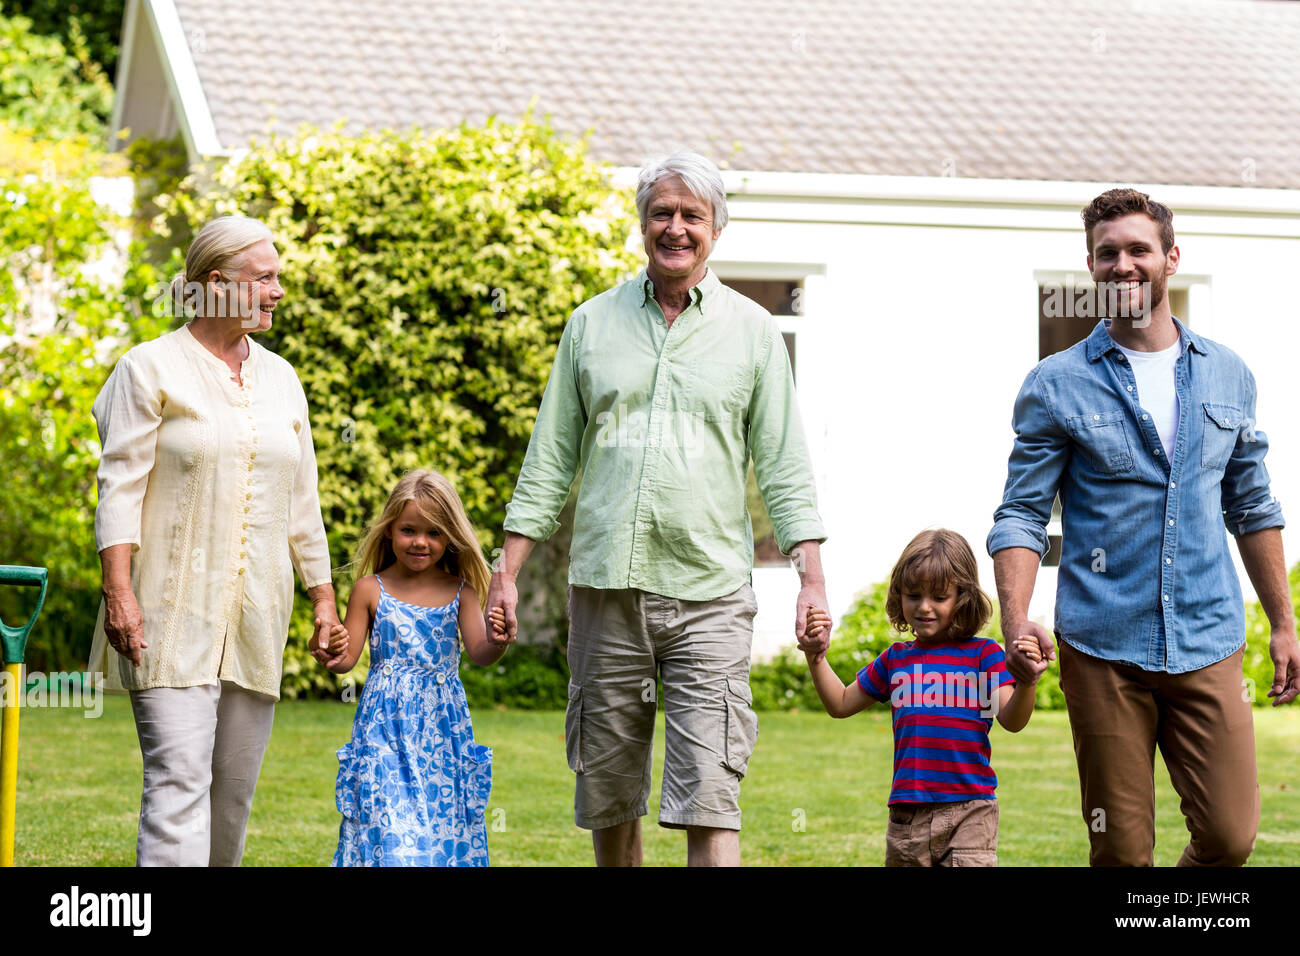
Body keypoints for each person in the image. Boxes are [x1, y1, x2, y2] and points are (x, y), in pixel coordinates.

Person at [486, 149, 829, 866]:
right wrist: (506, 569)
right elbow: (549, 459)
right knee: (610, 800)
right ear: (642, 224)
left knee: (711, 795)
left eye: (691, 215)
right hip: (606, 593)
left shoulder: (755, 332)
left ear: (716, 229)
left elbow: (784, 465)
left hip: (710, 595)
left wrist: (812, 579)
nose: (675, 227)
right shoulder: (590, 325)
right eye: (661, 213)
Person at [988, 187, 1300, 866]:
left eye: (1138, 249)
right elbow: (1020, 513)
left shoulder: (1229, 374)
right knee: (1122, 854)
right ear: (1091, 267)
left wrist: (1282, 622)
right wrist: (1016, 620)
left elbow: (1252, 505)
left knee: (1229, 837)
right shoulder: (1056, 383)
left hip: (1207, 635)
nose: (1122, 264)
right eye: (1107, 253)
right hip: (1102, 645)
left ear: (1171, 259)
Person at [90, 215, 342, 866]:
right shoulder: (148, 369)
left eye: (278, 277)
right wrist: (118, 592)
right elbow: (118, 485)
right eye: (264, 278)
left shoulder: (282, 379)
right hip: (166, 615)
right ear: (212, 284)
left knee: (231, 801)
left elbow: (302, 502)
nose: (278, 291)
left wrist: (323, 600)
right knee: (177, 788)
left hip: (258, 618)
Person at [803, 529, 1037, 866]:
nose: (924, 607)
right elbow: (839, 704)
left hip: (970, 811)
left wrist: (1027, 683)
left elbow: (1012, 721)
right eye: (913, 595)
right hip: (907, 816)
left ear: (962, 597)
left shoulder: (983, 655)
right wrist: (816, 657)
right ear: (899, 596)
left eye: (939, 597)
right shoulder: (895, 660)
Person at [319, 469, 508, 866]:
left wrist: (499, 640)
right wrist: (326, 646)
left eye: (435, 533)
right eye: (409, 530)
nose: (421, 542)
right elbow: (344, 659)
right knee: (386, 826)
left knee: (443, 826)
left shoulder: (462, 591)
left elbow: (479, 651)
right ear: (389, 530)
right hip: (383, 730)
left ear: (450, 537)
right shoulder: (370, 589)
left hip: (443, 732)